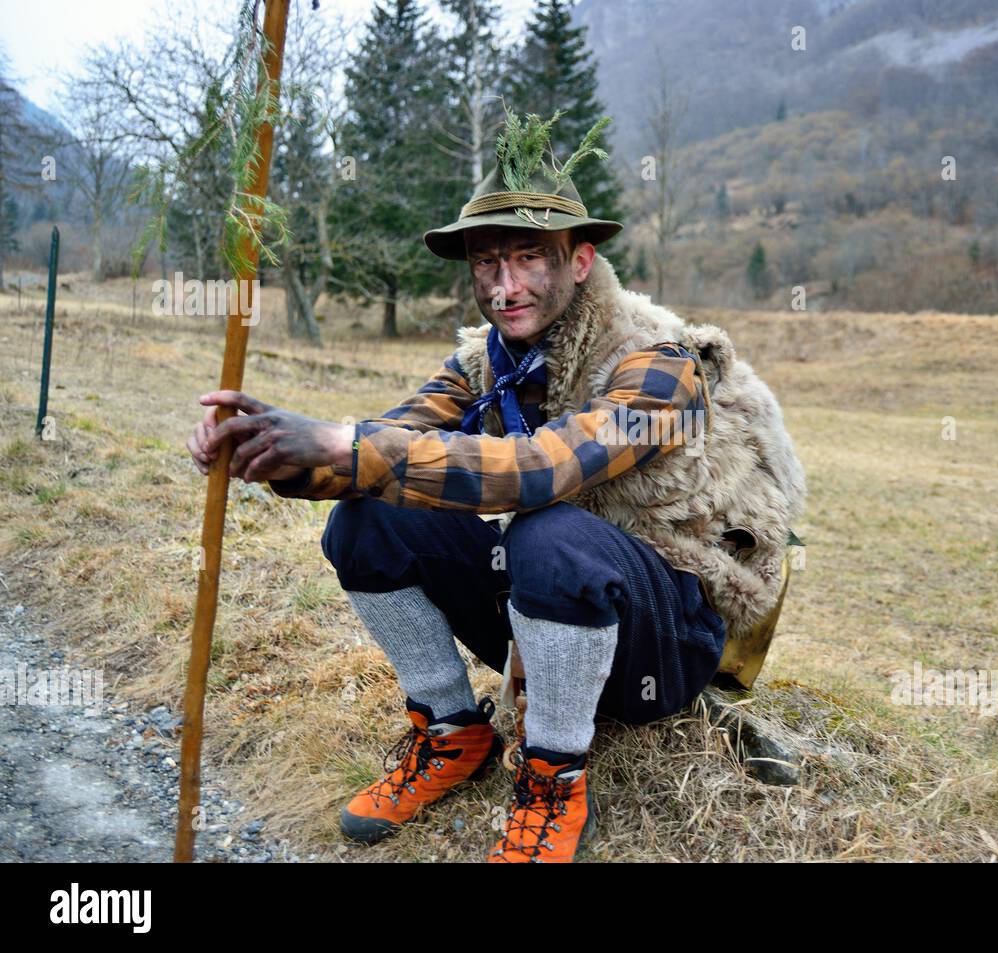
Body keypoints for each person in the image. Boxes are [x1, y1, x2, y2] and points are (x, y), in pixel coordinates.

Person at [187, 109, 805, 863]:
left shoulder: (659, 364)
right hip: (554, 603)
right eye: (487, 263)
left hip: (666, 635)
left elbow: (548, 467)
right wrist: (270, 447)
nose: (504, 287)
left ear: (580, 260)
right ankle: (451, 730)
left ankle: (552, 783)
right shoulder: (485, 362)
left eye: (527, 259)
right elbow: (392, 444)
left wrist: (343, 441)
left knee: (547, 530)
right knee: (368, 516)